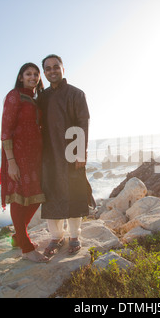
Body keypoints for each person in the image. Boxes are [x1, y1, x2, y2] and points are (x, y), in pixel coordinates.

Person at [38, 54, 96, 257]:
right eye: (48, 68)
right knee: (51, 194)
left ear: (63, 69)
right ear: (44, 73)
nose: (52, 70)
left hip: (72, 154)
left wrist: (81, 153)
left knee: (74, 195)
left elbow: (83, 123)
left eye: (56, 67)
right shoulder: (42, 97)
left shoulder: (76, 94)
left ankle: (74, 236)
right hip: (49, 155)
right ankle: (56, 237)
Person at [0, 62, 49, 263]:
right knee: (19, 198)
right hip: (18, 155)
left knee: (37, 196)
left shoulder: (35, 99)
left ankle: (18, 237)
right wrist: (11, 161)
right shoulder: (14, 96)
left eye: (36, 74)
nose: (33, 77)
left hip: (36, 155)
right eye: (28, 74)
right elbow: (5, 130)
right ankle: (26, 249)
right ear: (21, 77)